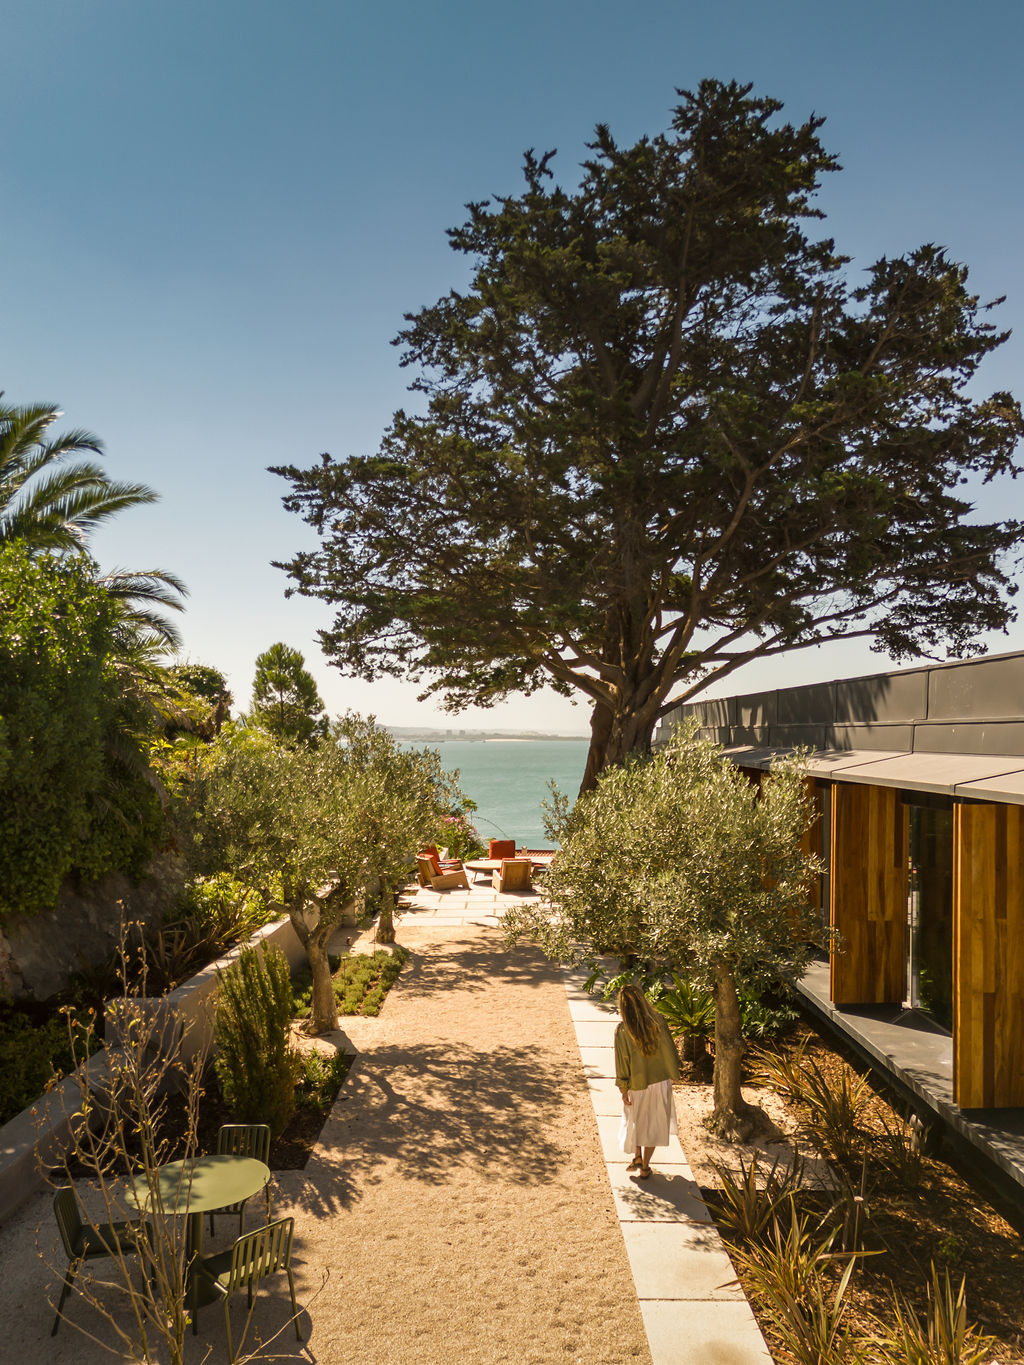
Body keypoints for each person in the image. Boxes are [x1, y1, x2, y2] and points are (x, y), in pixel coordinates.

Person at [615, 982, 681, 1179]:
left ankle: (637, 1155)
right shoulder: (658, 1021)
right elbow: (669, 1049)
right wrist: (674, 1072)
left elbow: (622, 1061)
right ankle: (645, 1166)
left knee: (636, 1120)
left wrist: (623, 1088)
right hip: (659, 1081)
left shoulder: (623, 1030)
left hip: (637, 1083)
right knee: (653, 1124)